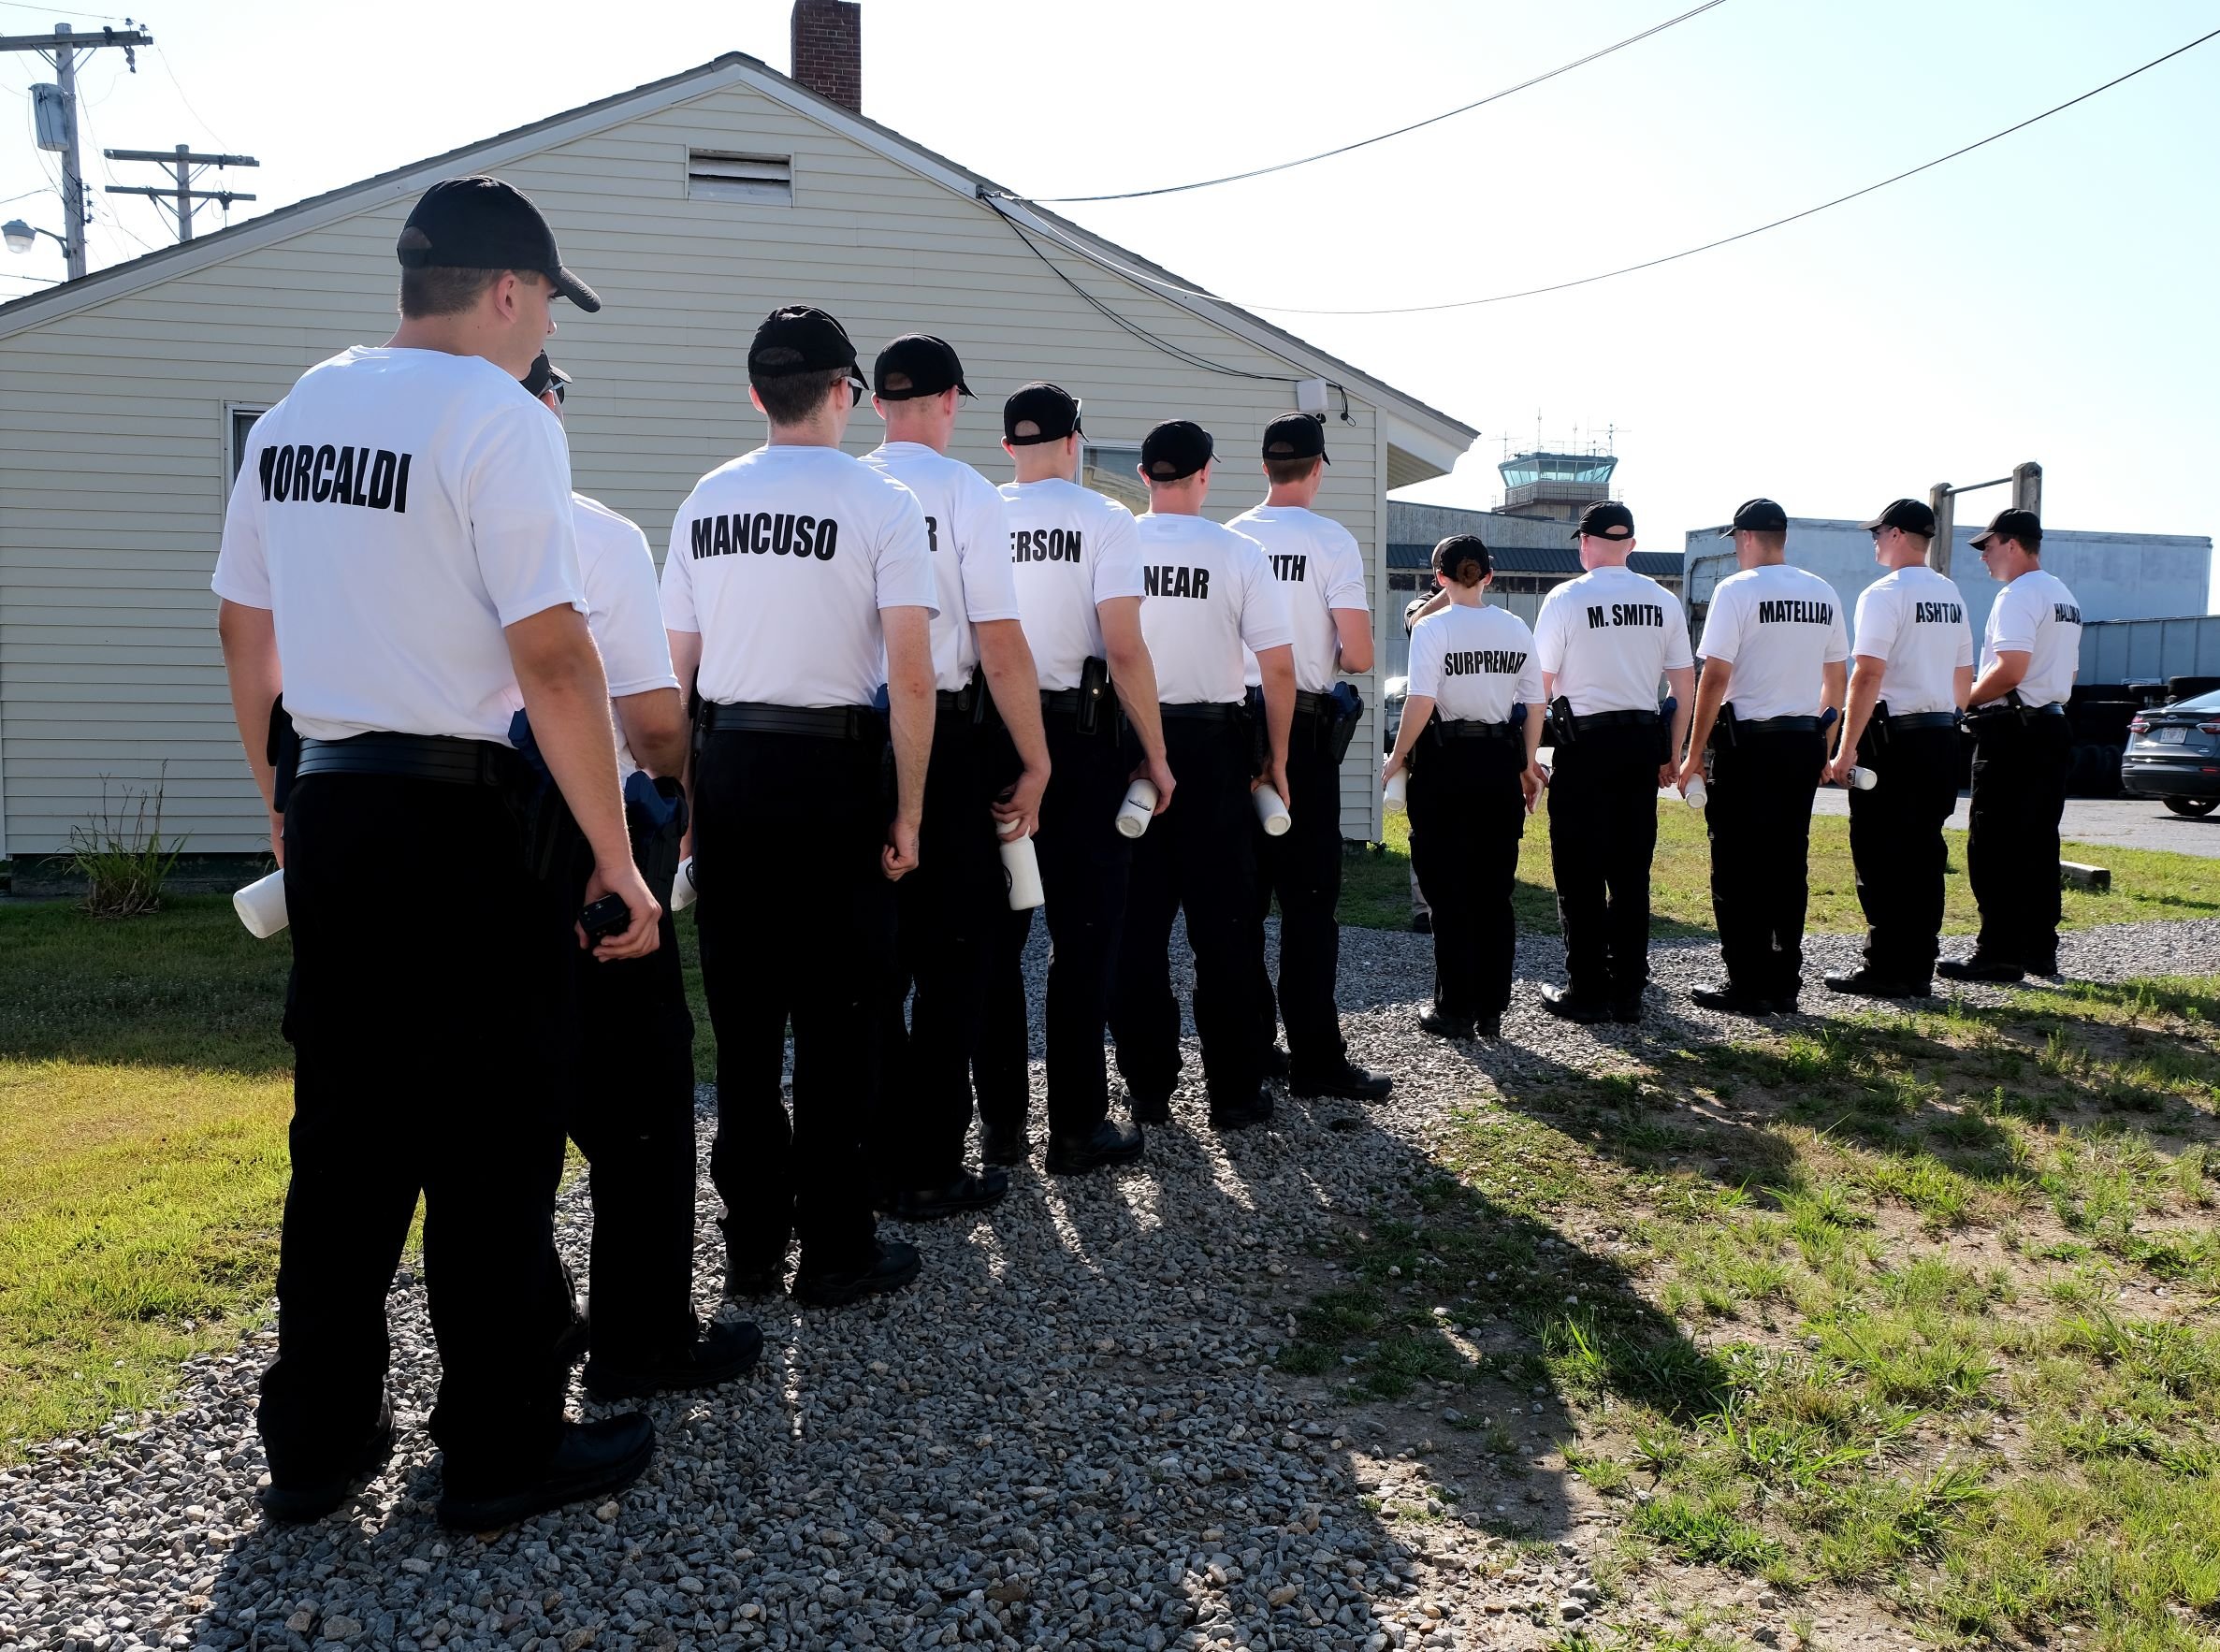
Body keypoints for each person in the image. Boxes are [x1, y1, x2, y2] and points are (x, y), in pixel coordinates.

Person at [212, 176, 660, 1529]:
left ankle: (316, 1444)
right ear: (511, 292)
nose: (540, 343)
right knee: (491, 1138)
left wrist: (283, 799)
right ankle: (500, 1448)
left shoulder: (297, 411)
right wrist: (618, 857)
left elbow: (246, 625)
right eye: (542, 314)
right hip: (464, 820)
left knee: (342, 1136)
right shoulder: (496, 418)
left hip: (338, 801)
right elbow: (556, 659)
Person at [660, 304, 936, 1307]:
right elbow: (911, 676)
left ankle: (748, 1252)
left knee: (742, 1027)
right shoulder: (881, 499)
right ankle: (835, 1246)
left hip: (731, 766)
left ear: (754, 394)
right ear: (843, 392)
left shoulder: (706, 498)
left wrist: (688, 800)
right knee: (841, 1020)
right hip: (836, 776)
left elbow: (674, 674)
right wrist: (907, 811)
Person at [521, 353, 762, 1398]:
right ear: (548, 407)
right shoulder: (595, 532)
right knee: (641, 1102)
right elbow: (653, 720)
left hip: (429, 830)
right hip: (582, 834)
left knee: (500, 1115)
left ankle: (527, 1333)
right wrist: (671, 788)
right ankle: (642, 1337)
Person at [859, 334, 1052, 1216]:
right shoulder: (969, 494)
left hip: (850, 744)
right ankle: (931, 1162)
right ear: (948, 403)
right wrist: (1037, 755)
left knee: (867, 970)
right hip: (946, 738)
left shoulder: (846, 484)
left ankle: (866, 1153)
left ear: (874, 404)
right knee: (953, 962)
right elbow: (1000, 644)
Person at [977, 382, 1175, 1174]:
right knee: (1084, 940)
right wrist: (1157, 756)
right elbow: (1123, 647)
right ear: (1074, 440)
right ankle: (1076, 1124)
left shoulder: (976, 509)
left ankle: (999, 1128)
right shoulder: (1104, 518)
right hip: (1082, 740)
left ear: (1006, 447)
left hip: (989, 735)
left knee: (993, 942)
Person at [1109, 420, 1295, 1131]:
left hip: (1129, 743)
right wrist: (1274, 758)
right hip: (1214, 749)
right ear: (1206, 474)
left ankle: (1148, 1088)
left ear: (1145, 476)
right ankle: (1235, 1092)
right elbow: (1276, 668)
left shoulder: (1113, 543)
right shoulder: (1236, 552)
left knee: (1136, 927)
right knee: (1223, 927)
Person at [1229, 415, 1392, 1102]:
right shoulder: (1329, 541)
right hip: (1303, 730)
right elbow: (1357, 654)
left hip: (1235, 730)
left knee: (1239, 907)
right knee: (1308, 906)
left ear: (1264, 467)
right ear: (1318, 467)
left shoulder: (1232, 536)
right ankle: (1315, 1059)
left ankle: (1248, 1048)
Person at [1676, 498, 1849, 1015]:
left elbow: (1716, 676)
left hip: (1749, 744)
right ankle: (1783, 982)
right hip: (1802, 739)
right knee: (1787, 863)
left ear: (1746, 537)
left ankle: (1747, 983)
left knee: (1737, 866)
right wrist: (1827, 741)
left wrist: (1693, 751)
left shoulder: (1736, 590)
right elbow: (1836, 678)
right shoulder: (1822, 591)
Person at [1531, 501, 1695, 1023]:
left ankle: (1587, 990)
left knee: (1579, 872)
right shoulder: (1660, 599)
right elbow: (1682, 685)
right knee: (1631, 873)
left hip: (1585, 746)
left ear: (1585, 543)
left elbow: (1541, 686)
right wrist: (1672, 751)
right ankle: (1627, 991)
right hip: (1639, 744)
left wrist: (1530, 755)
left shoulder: (1566, 598)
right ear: (1630, 544)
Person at [1381, 536, 1545, 1039]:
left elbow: (1421, 701)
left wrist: (1397, 756)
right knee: (1494, 890)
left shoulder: (1432, 627)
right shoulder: (1515, 626)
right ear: (1490, 576)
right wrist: (1528, 762)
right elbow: (1535, 703)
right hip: (1499, 758)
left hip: (1447, 762)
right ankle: (1492, 1005)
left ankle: (1455, 1007)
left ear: (1439, 578)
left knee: (1447, 890)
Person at [1822, 498, 1974, 998]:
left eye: (1878, 532)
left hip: (1892, 741)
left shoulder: (1884, 593)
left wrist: (1845, 751)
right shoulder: (1949, 593)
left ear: (1896, 534)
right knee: (1926, 854)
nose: (1873, 541)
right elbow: (1962, 674)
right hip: (1941, 734)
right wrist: (1947, 718)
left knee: (1881, 855)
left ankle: (1887, 966)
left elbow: (1866, 672)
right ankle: (1919, 966)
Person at [1940, 508, 2082, 982]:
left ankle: (1998, 953)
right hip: (2051, 724)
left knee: (1994, 843)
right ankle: (2040, 950)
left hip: (2013, 730)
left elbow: (2011, 667)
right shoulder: (2063, 595)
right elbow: (2071, 672)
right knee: (2039, 841)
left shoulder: (2017, 595)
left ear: (2013, 544)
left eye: (1988, 546)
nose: (1984, 557)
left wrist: (1963, 701)